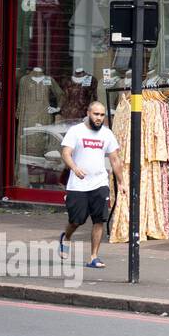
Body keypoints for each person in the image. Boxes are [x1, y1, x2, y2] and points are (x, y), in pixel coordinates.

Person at [59, 101, 123, 269]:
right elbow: (65, 152)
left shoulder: (107, 134)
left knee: (99, 220)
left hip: (99, 183)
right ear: (88, 113)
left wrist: (122, 182)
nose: (99, 118)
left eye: (102, 115)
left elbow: (115, 159)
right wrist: (74, 168)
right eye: (96, 114)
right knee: (76, 221)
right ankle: (66, 237)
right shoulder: (76, 131)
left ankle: (93, 256)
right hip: (78, 185)